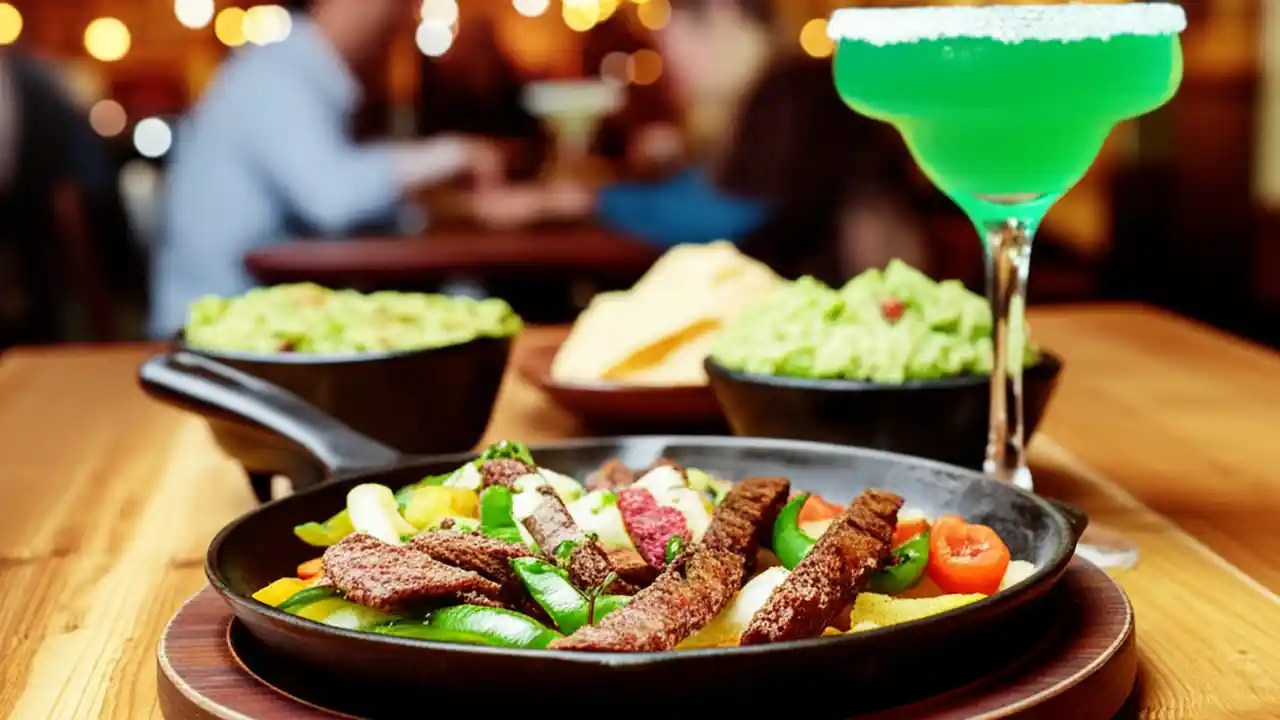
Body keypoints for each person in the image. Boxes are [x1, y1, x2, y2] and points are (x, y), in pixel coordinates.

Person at [473, 0, 926, 283]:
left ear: (723, 14)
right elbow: (724, 191)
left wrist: (587, 202)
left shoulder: (792, 91)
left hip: (842, 332)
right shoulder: (769, 93)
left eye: (675, 41)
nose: (671, 64)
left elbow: (734, 213)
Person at [150, 0, 502, 336]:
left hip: (260, 313)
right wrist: (453, 152)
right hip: (213, 326)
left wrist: (454, 207)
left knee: (456, 303)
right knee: (458, 306)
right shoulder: (276, 76)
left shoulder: (292, 71)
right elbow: (332, 199)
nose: (404, 23)